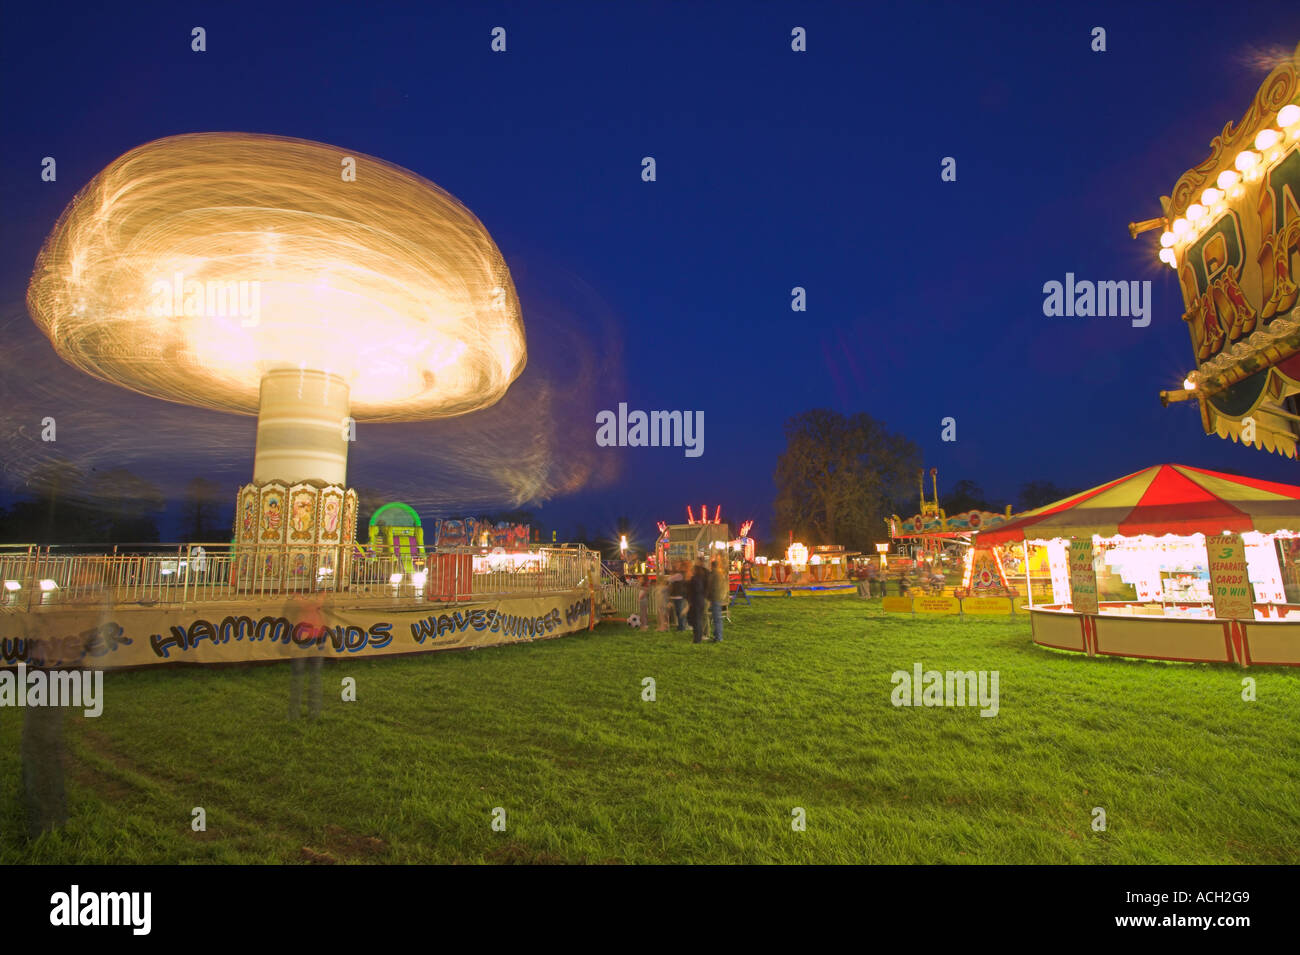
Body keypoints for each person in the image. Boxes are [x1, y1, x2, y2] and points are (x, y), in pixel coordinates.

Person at [689, 559, 710, 644]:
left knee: (702, 617)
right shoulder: (700, 573)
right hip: (701, 598)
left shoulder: (703, 573)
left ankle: (704, 634)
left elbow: (705, 586)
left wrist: (706, 595)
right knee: (700, 617)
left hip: (701, 598)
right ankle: (700, 634)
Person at [708, 557, 727, 642]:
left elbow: (713, 587)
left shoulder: (714, 574)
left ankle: (718, 637)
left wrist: (709, 597)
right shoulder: (719, 573)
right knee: (717, 617)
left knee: (716, 618)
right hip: (719, 597)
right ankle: (717, 635)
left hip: (715, 597)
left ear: (712, 566)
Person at [669, 564, 687, 631]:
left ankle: (681, 627)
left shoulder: (679, 575)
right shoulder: (683, 574)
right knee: (680, 611)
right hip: (680, 595)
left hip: (678, 596)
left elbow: (669, 579)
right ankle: (681, 626)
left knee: (679, 612)